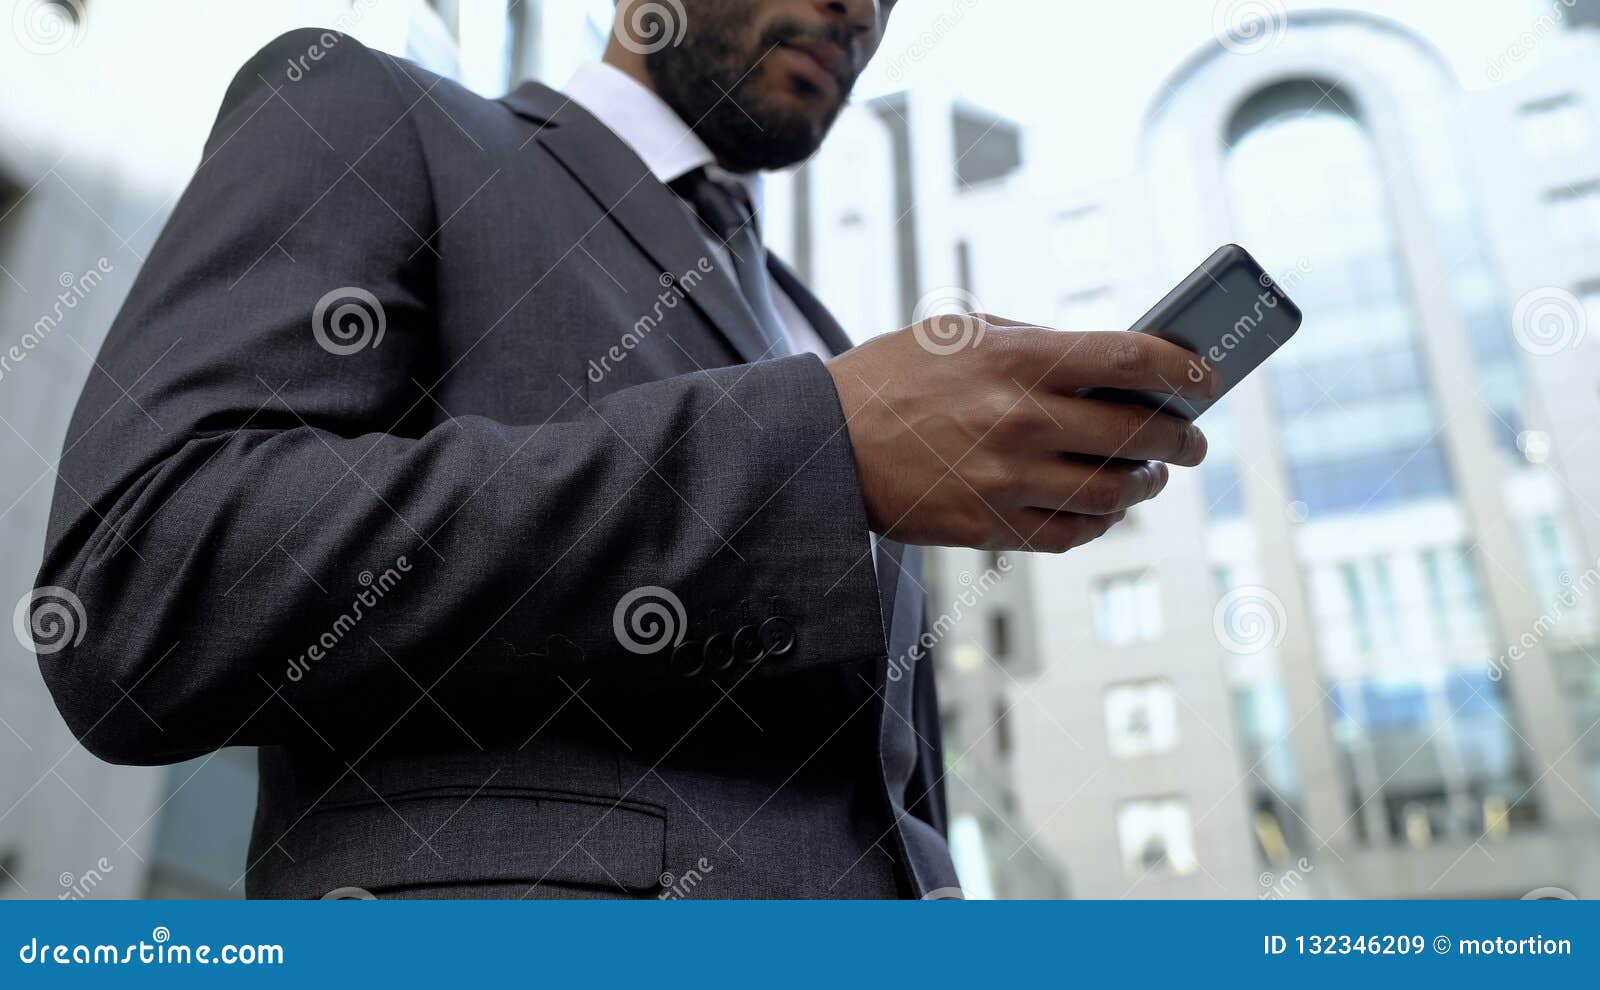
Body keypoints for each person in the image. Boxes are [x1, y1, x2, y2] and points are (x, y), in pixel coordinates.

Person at [35, 0, 1213, 898]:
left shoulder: (819, 331)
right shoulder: (369, 112)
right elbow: (146, 579)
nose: (858, 9)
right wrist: (810, 452)